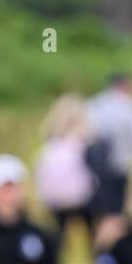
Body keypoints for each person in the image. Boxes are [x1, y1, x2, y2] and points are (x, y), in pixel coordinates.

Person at [86, 73, 132, 238]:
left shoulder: (93, 105)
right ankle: (110, 250)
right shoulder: (130, 107)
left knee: (100, 214)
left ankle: (99, 251)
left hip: (92, 171)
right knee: (115, 213)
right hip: (118, 168)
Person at [34, 94, 96, 249]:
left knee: (58, 239)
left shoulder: (50, 142)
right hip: (81, 197)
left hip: (55, 199)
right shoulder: (82, 140)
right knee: (92, 238)